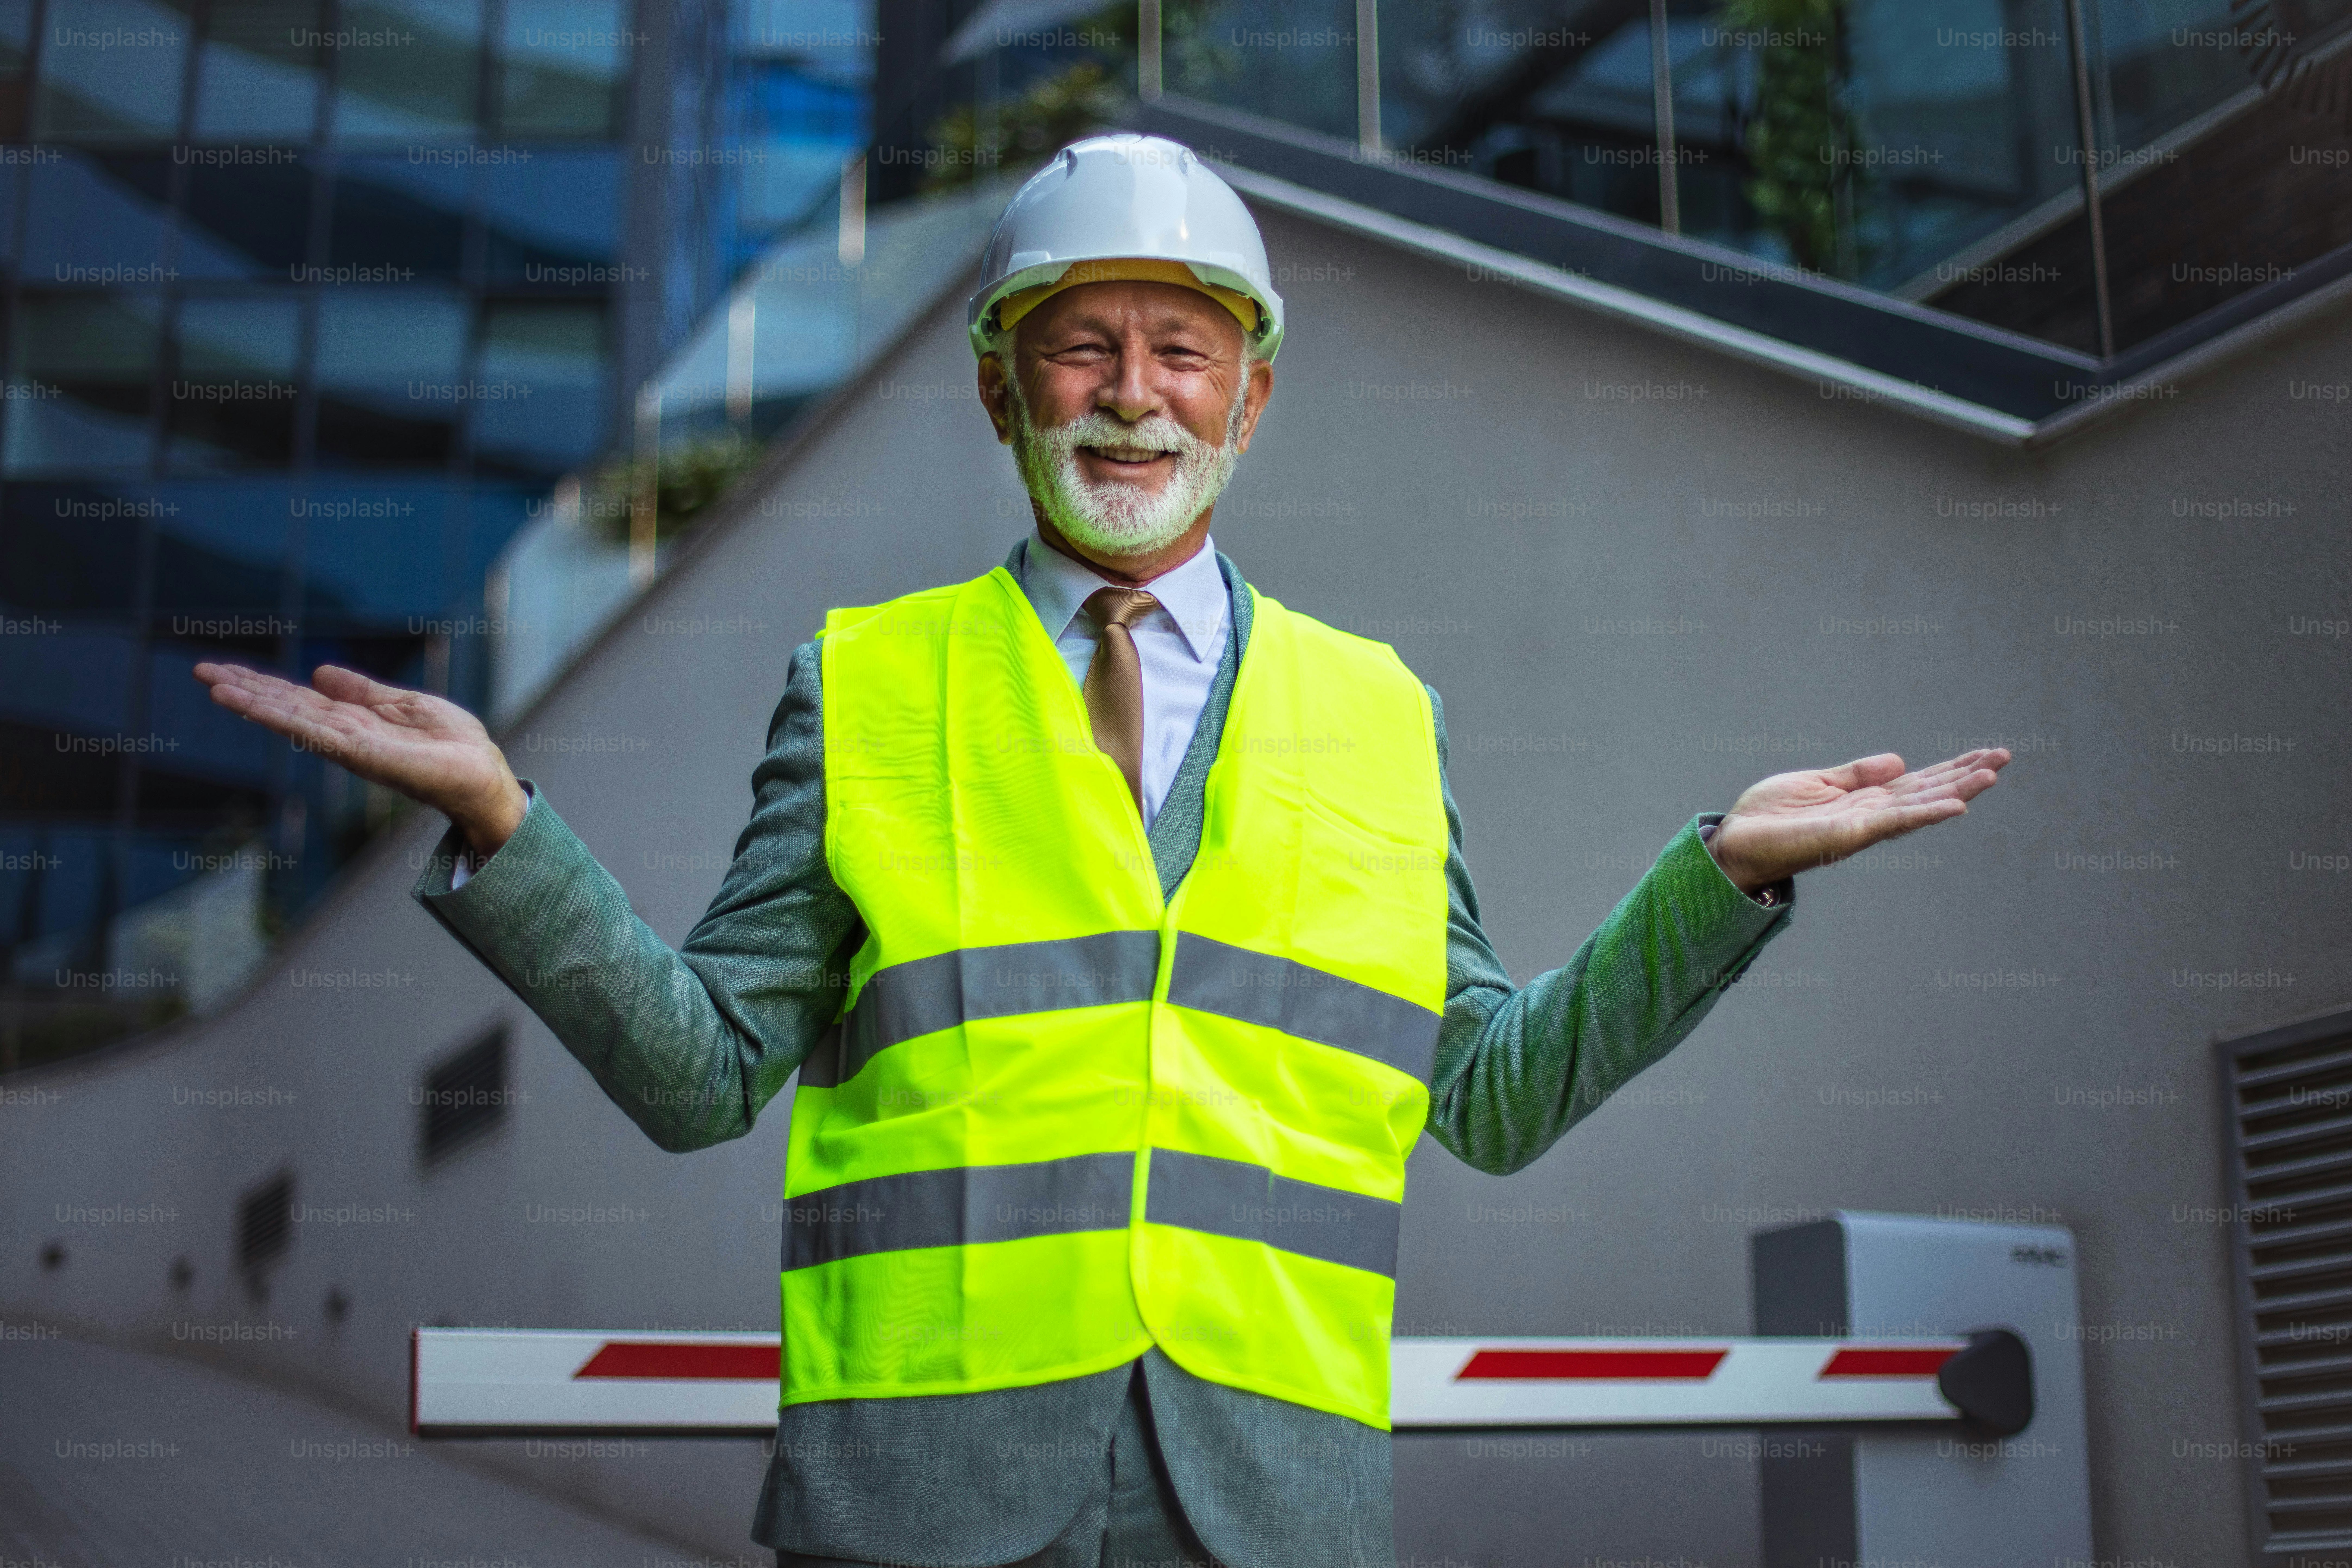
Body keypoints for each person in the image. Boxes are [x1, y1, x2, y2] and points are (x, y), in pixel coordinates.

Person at [195, 134, 2007, 1568]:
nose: (1132, 394)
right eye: (1080, 346)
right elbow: (703, 1078)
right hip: (920, 1499)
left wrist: (1727, 878)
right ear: (1001, 392)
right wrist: (504, 828)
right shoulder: (865, 681)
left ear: (1250, 399)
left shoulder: (1379, 711)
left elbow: (1489, 1097)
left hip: (1265, 1504)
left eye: (1182, 352)